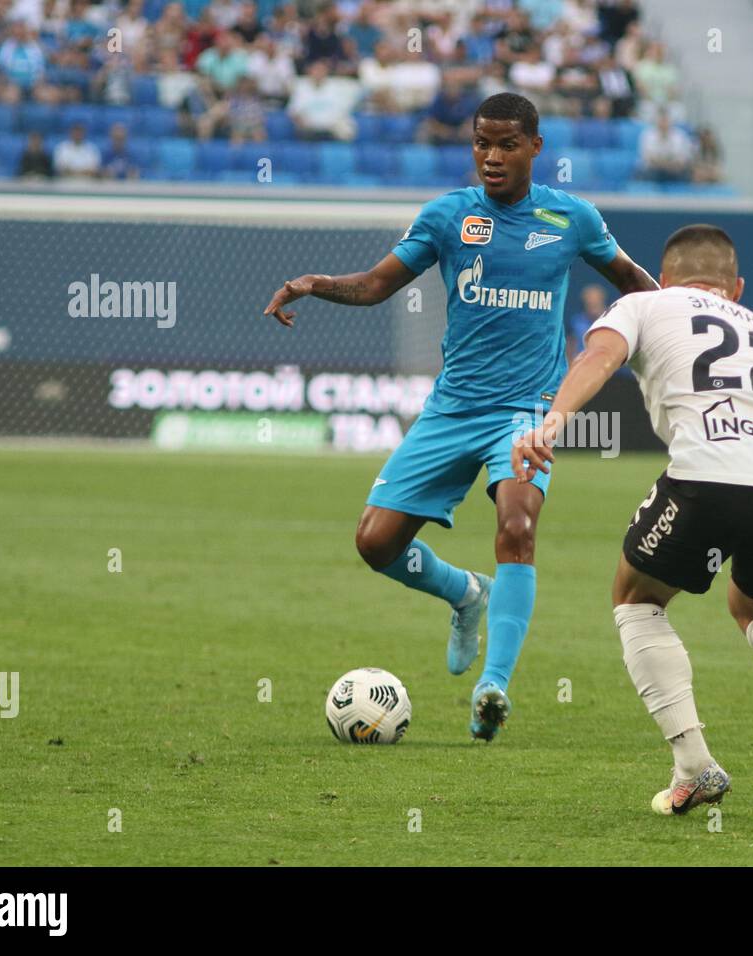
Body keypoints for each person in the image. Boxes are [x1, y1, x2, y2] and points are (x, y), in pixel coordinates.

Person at [262, 93, 658, 740]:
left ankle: (492, 687)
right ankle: (465, 595)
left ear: (535, 146)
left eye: (506, 144)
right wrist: (317, 283)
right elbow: (376, 284)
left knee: (518, 525)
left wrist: (693, 321)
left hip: (525, 410)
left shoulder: (572, 218)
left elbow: (633, 281)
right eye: (481, 143)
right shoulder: (448, 215)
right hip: (452, 407)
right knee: (376, 543)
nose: (491, 157)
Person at [510, 224, 753, 815]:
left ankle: (695, 765)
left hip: (710, 473)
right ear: (735, 288)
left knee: (635, 598)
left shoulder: (644, 302)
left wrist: (552, 421)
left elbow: (600, 354)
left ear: (664, 279)